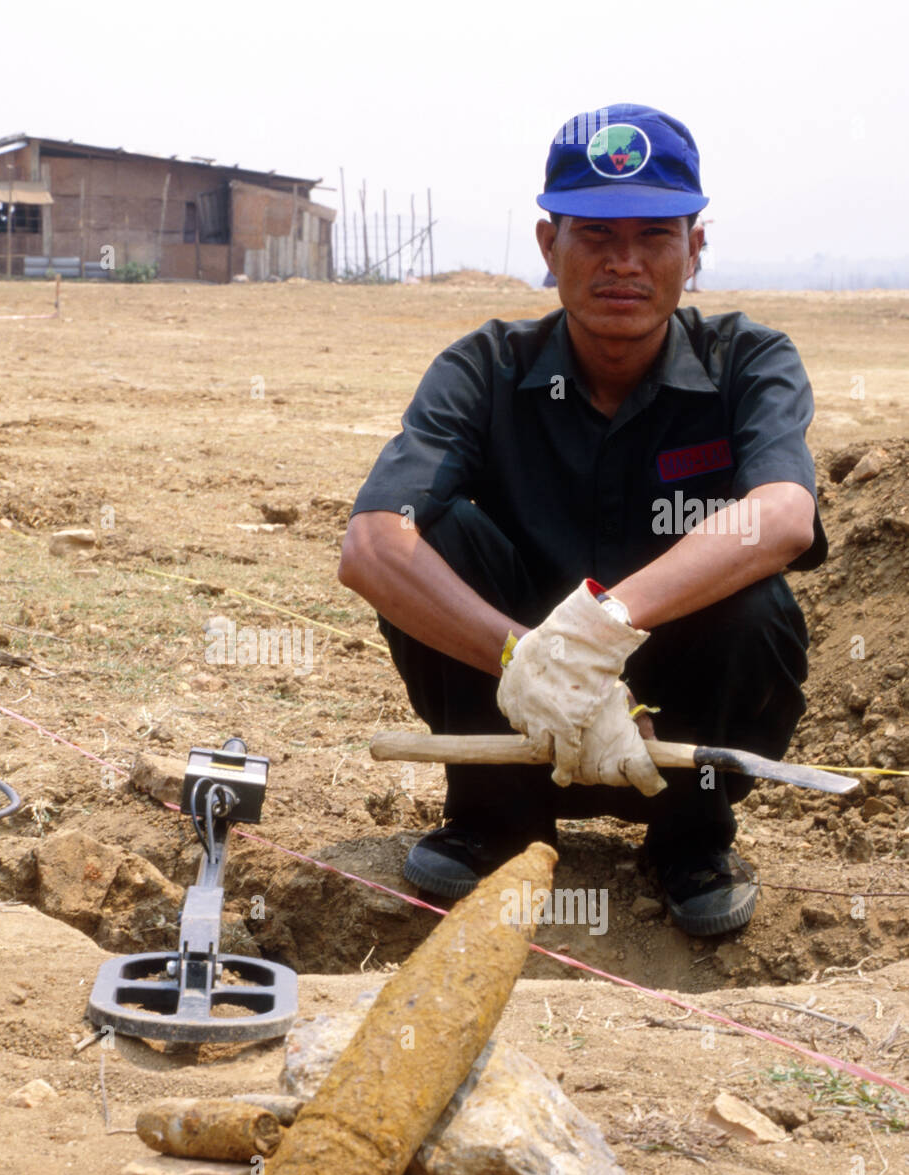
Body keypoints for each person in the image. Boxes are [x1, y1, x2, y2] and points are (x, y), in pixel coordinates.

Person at [338, 103, 826, 936]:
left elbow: (781, 515)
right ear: (547, 246)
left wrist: (598, 635)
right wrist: (529, 661)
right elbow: (371, 546)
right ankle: (493, 820)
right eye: (596, 235)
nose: (624, 264)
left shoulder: (748, 360)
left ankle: (690, 839)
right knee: (438, 537)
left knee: (758, 603)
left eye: (655, 235)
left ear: (695, 248)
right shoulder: (486, 367)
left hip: (670, 732)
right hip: (513, 708)